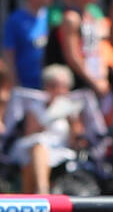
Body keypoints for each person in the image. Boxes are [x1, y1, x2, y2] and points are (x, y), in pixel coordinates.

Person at [6, 63, 87, 194]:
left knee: (37, 155)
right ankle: (42, 191)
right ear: (46, 87)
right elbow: (29, 133)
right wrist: (49, 116)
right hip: (32, 148)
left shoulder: (72, 110)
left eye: (62, 86)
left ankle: (34, 194)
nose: (58, 90)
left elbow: (78, 142)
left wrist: (72, 122)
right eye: (53, 85)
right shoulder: (35, 107)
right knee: (38, 147)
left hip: (60, 151)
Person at [43, 0, 109, 104]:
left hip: (92, 79)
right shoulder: (70, 18)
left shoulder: (91, 16)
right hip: (75, 84)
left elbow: (98, 50)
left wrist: (102, 77)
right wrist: (94, 81)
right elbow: (72, 56)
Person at [2, 0, 53, 88]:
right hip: (26, 85)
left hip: (52, 86)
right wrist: (14, 83)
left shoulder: (53, 16)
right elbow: (8, 54)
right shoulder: (15, 20)